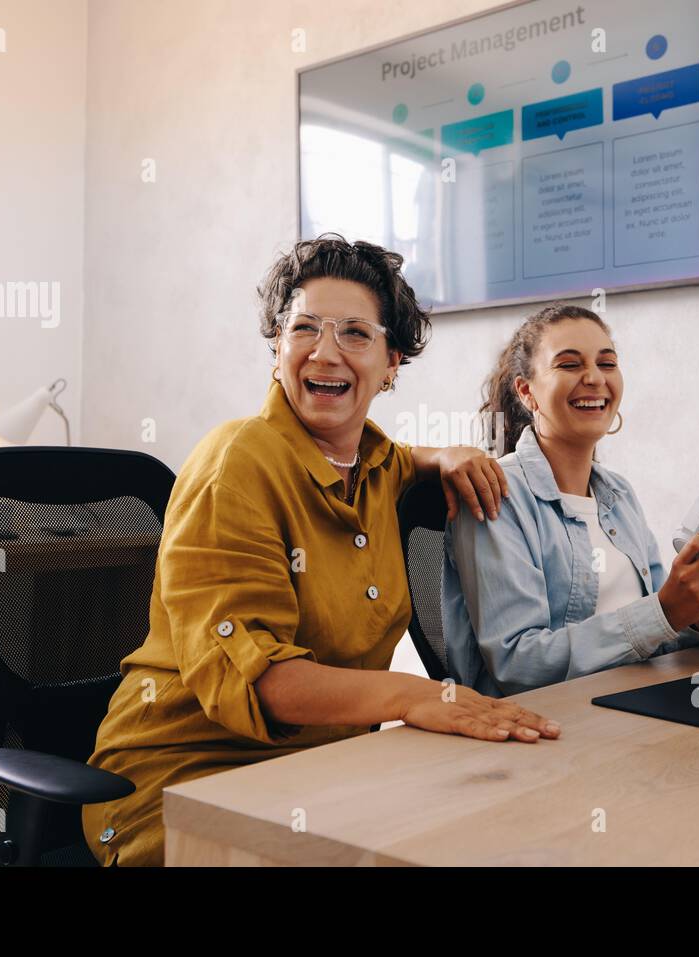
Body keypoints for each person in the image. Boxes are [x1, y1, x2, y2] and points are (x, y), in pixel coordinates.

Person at [83, 236, 560, 866]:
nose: (325, 350)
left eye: (356, 333)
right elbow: (266, 679)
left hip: (328, 771)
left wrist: (443, 455)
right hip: (185, 784)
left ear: (392, 363)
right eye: (304, 327)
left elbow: (397, 459)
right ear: (278, 350)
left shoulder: (375, 464)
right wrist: (410, 695)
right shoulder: (238, 464)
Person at [442, 303, 699, 697]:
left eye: (607, 364)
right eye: (569, 365)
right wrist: (664, 613)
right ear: (527, 391)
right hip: (552, 727)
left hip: (636, 705)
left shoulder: (618, 494)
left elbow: (657, 629)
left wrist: (697, 620)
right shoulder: (496, 494)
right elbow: (518, 664)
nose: (594, 378)